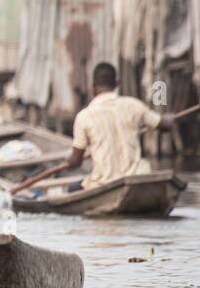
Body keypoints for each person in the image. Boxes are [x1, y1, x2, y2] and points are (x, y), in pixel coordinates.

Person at [22, 62, 179, 191]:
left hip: (103, 183)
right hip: (136, 177)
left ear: (93, 86)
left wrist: (68, 161)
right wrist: (169, 118)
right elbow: (163, 125)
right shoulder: (134, 106)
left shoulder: (84, 116)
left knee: (71, 189)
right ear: (117, 83)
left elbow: (76, 161)